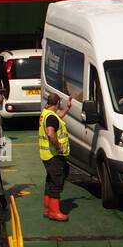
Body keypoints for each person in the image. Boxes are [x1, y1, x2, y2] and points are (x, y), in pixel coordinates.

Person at [39, 92, 73, 221]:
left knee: (50, 181)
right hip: (54, 155)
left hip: (47, 155)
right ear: (58, 103)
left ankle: (48, 209)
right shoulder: (51, 117)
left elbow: (57, 118)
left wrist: (67, 108)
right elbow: (50, 133)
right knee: (56, 183)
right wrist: (58, 146)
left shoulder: (46, 113)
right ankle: (55, 212)